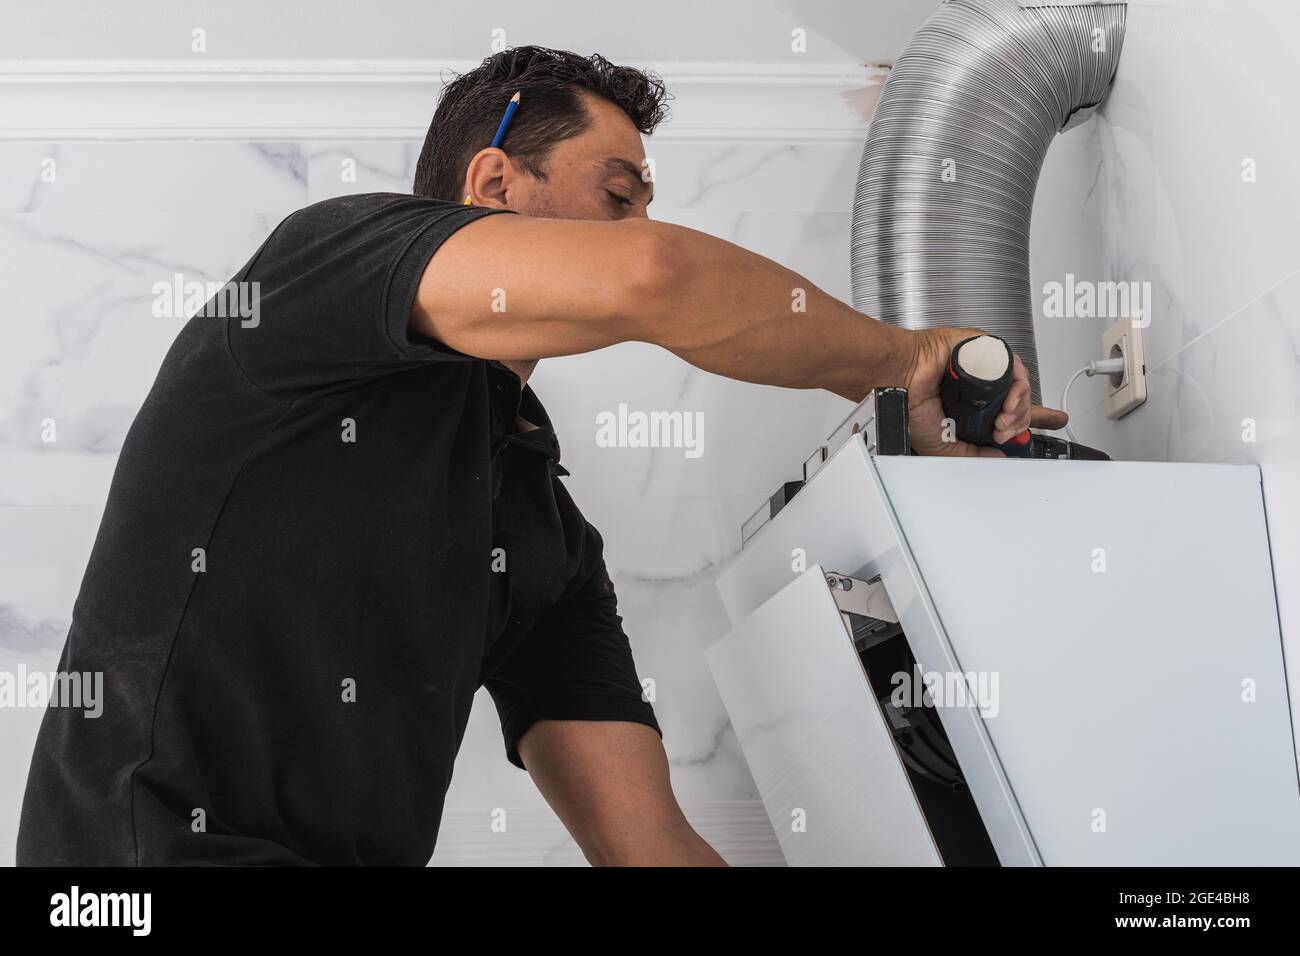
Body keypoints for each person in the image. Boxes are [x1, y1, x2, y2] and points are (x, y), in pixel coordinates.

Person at [17, 46, 1064, 867]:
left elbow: (643, 842)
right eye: (618, 193)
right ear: (493, 181)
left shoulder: (539, 531)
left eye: (643, 202)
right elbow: (655, 278)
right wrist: (901, 361)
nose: (640, 224)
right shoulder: (326, 265)